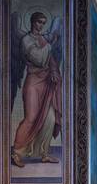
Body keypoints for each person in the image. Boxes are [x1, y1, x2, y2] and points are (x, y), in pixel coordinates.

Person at [11, 11, 63, 168]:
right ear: (33, 22)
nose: (41, 25)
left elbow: (51, 59)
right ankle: (17, 153)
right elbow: (39, 59)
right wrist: (48, 44)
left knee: (50, 118)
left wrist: (54, 70)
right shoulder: (26, 40)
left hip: (47, 81)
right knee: (31, 118)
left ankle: (43, 152)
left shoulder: (42, 39)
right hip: (33, 82)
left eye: (43, 23)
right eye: (39, 22)